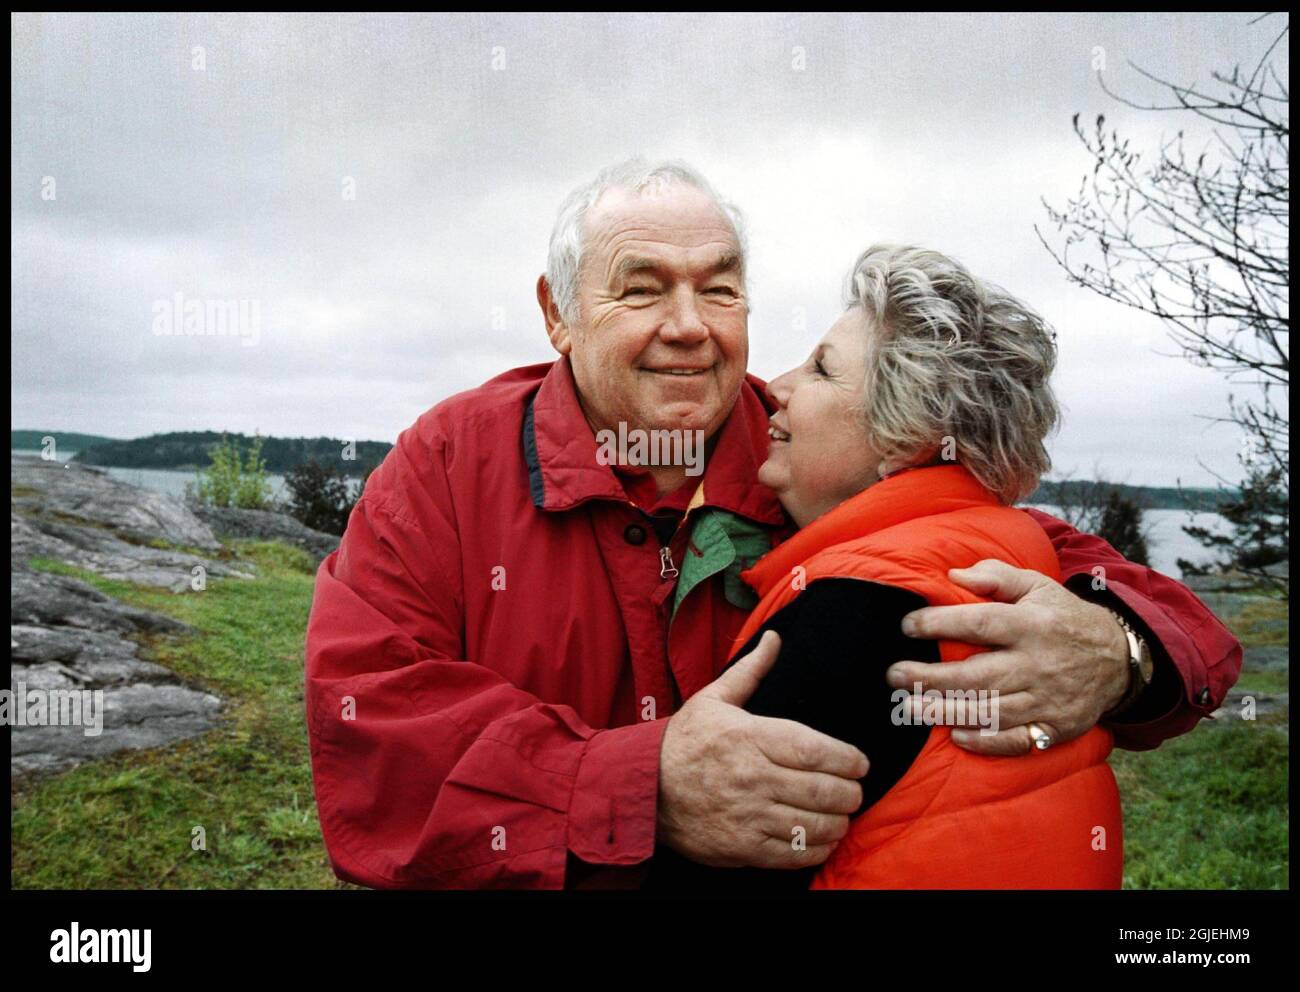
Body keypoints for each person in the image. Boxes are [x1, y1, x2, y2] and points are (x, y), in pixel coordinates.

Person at [304, 159, 1241, 889]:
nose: (690, 326)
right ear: (558, 314)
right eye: (641, 288)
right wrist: (639, 789)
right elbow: (369, 721)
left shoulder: (797, 452)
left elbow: (992, 527)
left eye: (720, 288)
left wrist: (1124, 649)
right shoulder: (447, 467)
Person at [650, 244, 1123, 889]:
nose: (777, 388)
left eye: (820, 370)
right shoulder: (1014, 554)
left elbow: (711, 874)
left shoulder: (855, 610)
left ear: (904, 439)